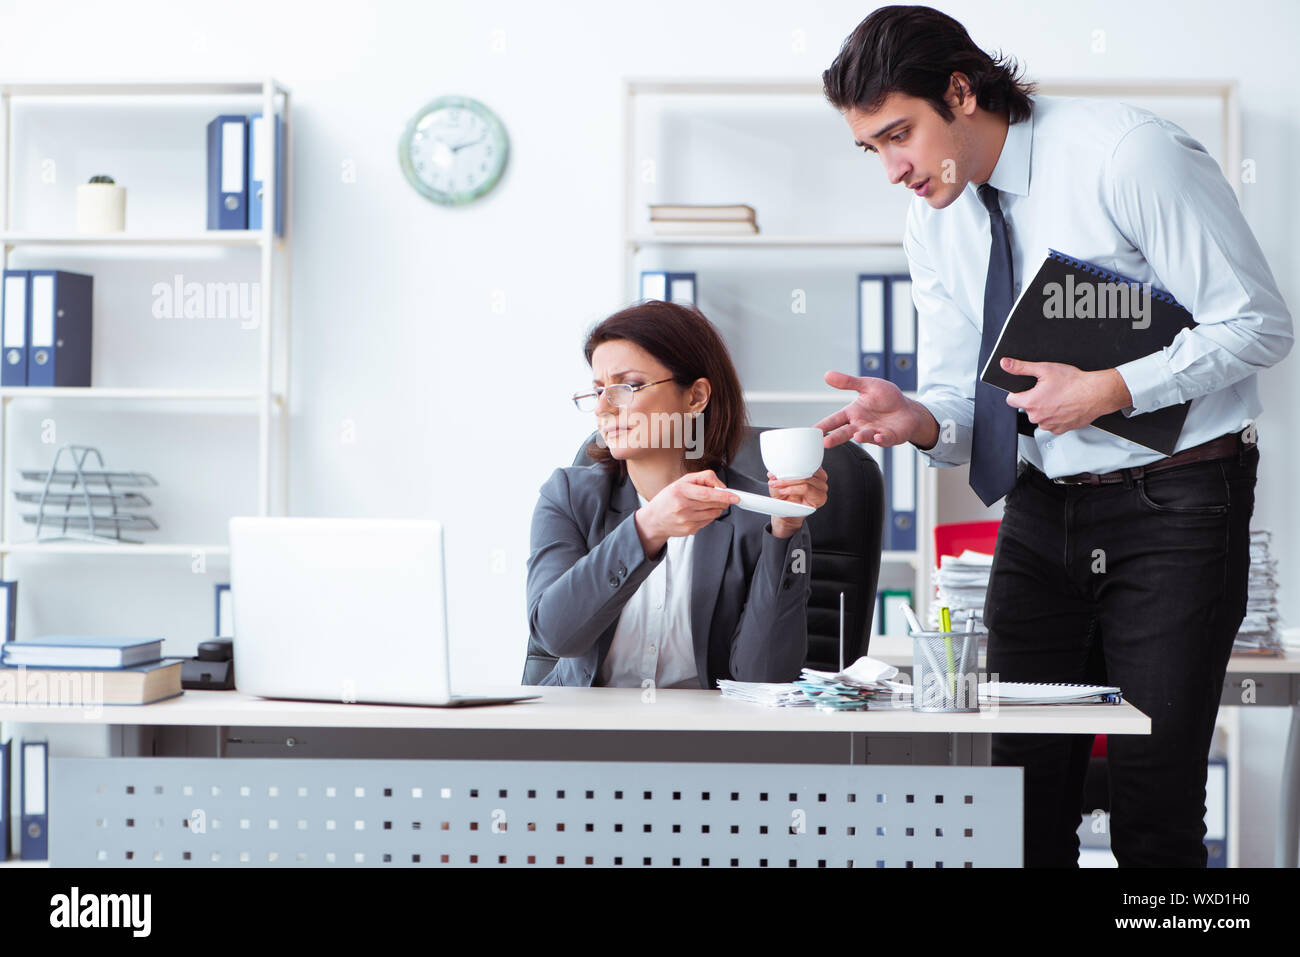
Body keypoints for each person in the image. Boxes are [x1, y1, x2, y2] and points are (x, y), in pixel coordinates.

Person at [815, 6, 1292, 866]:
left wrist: (1110, 387)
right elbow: (964, 401)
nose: (892, 169)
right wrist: (919, 418)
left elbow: (1257, 322)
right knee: (1020, 804)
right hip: (1042, 508)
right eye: (870, 149)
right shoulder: (937, 218)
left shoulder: (1125, 154)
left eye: (900, 135)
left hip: (1178, 500)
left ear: (960, 91)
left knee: (1155, 803)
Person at [526, 300, 828, 689]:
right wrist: (648, 527)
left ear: (695, 397)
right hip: (585, 733)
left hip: (705, 740)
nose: (603, 407)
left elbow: (763, 677)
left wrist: (786, 530)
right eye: (599, 390)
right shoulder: (567, 496)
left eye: (628, 386)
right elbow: (556, 636)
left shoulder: (760, 512)